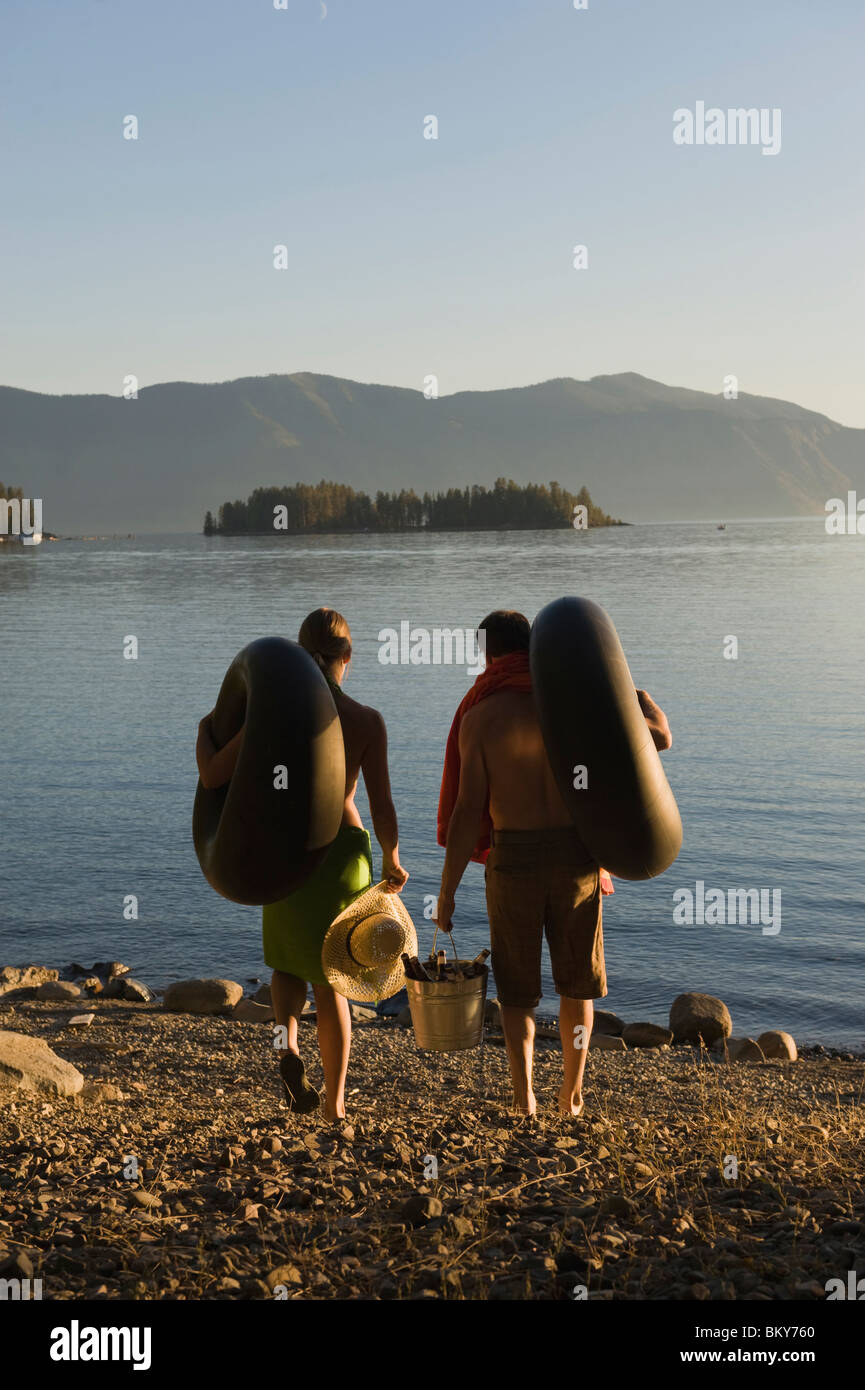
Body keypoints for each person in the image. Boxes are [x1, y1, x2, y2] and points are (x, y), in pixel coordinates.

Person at [435, 609, 671, 1118]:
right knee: (577, 984)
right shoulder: (571, 707)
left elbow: (466, 811)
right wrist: (639, 698)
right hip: (575, 857)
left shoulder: (480, 717)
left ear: (489, 654)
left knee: (518, 993)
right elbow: (657, 737)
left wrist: (448, 891)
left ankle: (524, 1097)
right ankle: (572, 1093)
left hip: (512, 859)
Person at [196, 607, 408, 1120]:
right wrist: (393, 858)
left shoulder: (271, 717)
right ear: (347, 659)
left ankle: (287, 1046)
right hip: (342, 854)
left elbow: (213, 776)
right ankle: (335, 1104)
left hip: (286, 849)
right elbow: (381, 805)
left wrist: (212, 730)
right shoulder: (365, 721)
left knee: (286, 967)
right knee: (334, 976)